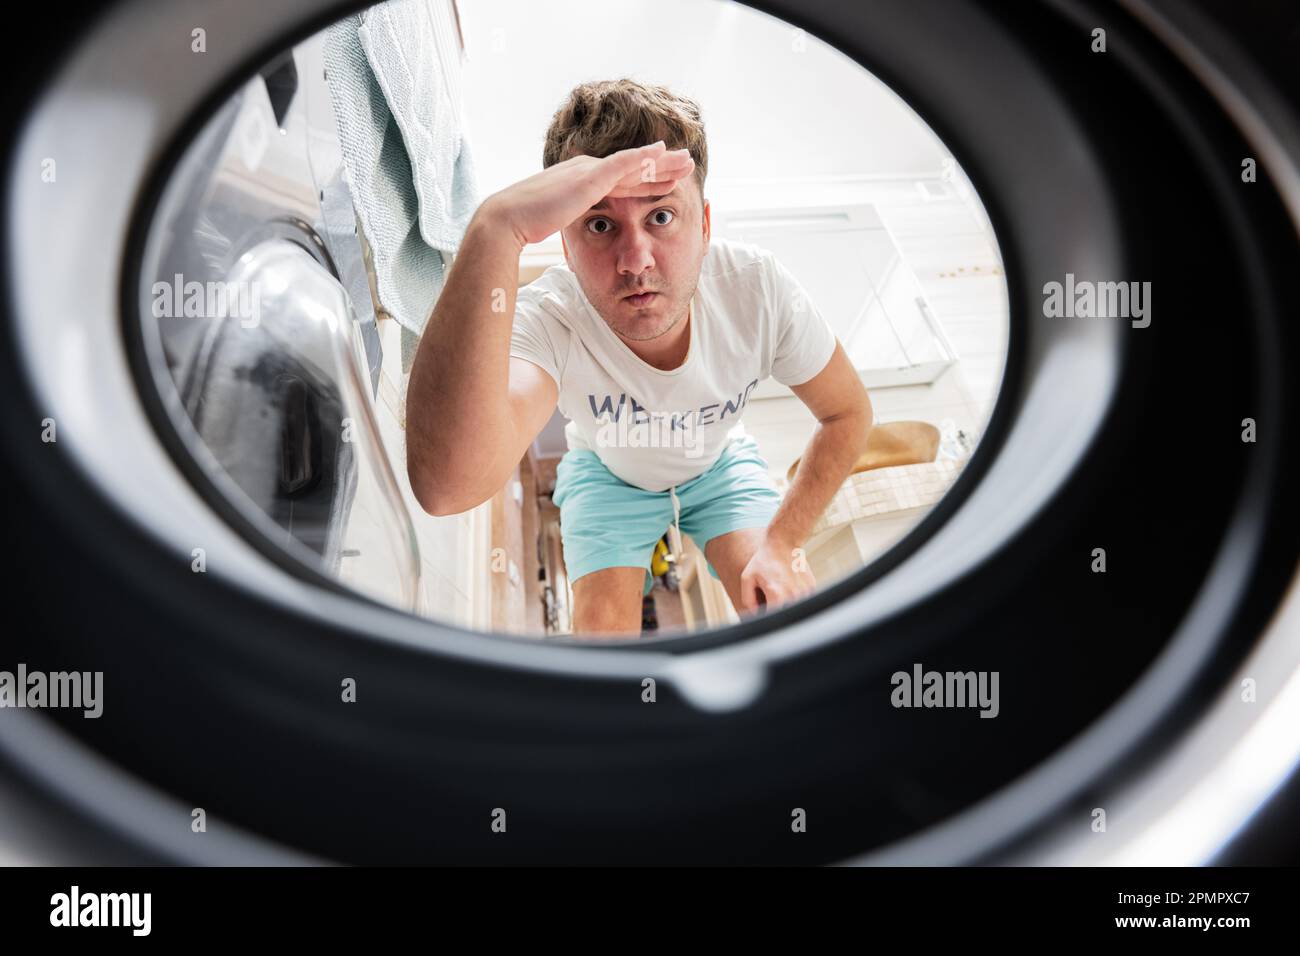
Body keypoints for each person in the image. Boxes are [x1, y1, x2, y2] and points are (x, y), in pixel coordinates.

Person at [406, 79, 872, 636]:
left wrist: (783, 541)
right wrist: (495, 226)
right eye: (600, 224)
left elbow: (848, 413)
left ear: (703, 223)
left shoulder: (758, 288)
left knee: (785, 619)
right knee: (606, 645)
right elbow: (445, 488)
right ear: (565, 243)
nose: (635, 261)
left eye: (661, 217)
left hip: (718, 465)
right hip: (608, 475)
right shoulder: (547, 315)